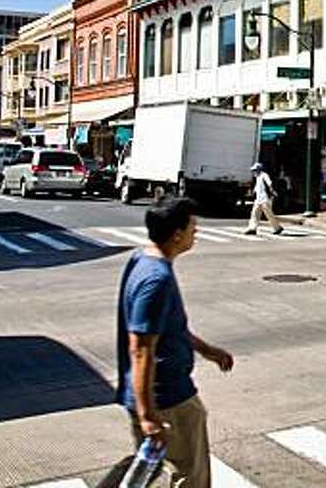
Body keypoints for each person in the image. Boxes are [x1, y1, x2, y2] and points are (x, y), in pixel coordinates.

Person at [117, 196, 235, 487]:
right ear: (177, 234)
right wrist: (148, 416)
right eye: (193, 226)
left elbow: (168, 329)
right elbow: (142, 349)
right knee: (191, 477)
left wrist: (207, 350)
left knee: (153, 472)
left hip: (161, 397)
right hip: (168, 399)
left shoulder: (143, 261)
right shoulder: (156, 280)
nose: (197, 231)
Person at [245, 162, 283, 236]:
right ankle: (252, 228)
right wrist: (252, 193)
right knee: (254, 214)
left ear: (259, 170)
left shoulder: (264, 175)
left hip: (265, 199)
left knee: (269, 214)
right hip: (258, 200)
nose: (254, 172)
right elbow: (257, 188)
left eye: (255, 170)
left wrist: (272, 191)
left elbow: (269, 184)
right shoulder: (257, 177)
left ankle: (277, 228)